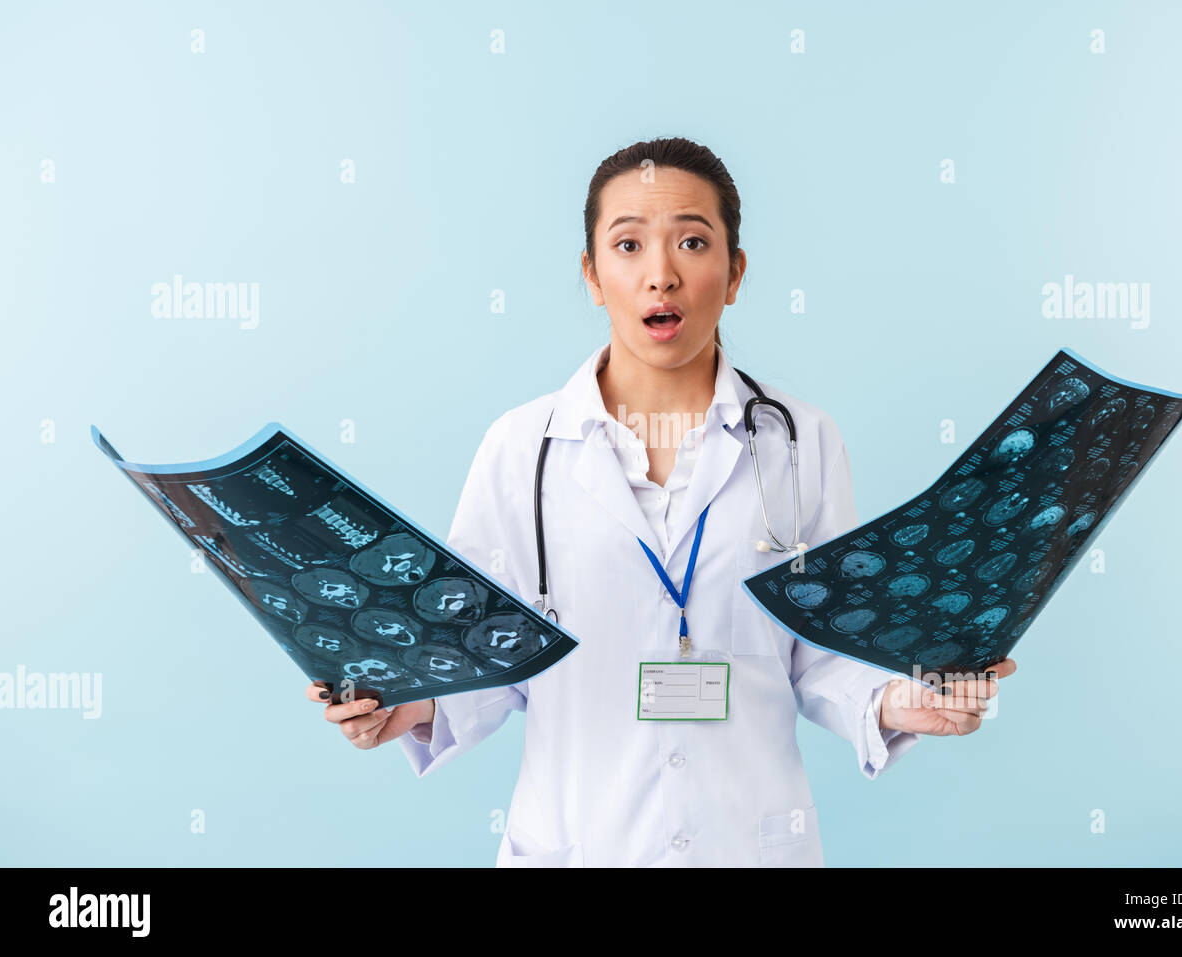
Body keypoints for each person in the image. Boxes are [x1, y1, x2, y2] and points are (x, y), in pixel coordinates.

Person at [306, 136, 1015, 866]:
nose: (661, 274)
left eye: (692, 241)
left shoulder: (802, 440)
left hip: (748, 842)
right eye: (628, 245)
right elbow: (484, 655)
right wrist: (402, 704)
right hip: (577, 844)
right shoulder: (522, 447)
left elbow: (822, 652)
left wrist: (904, 700)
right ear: (591, 274)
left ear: (734, 272)